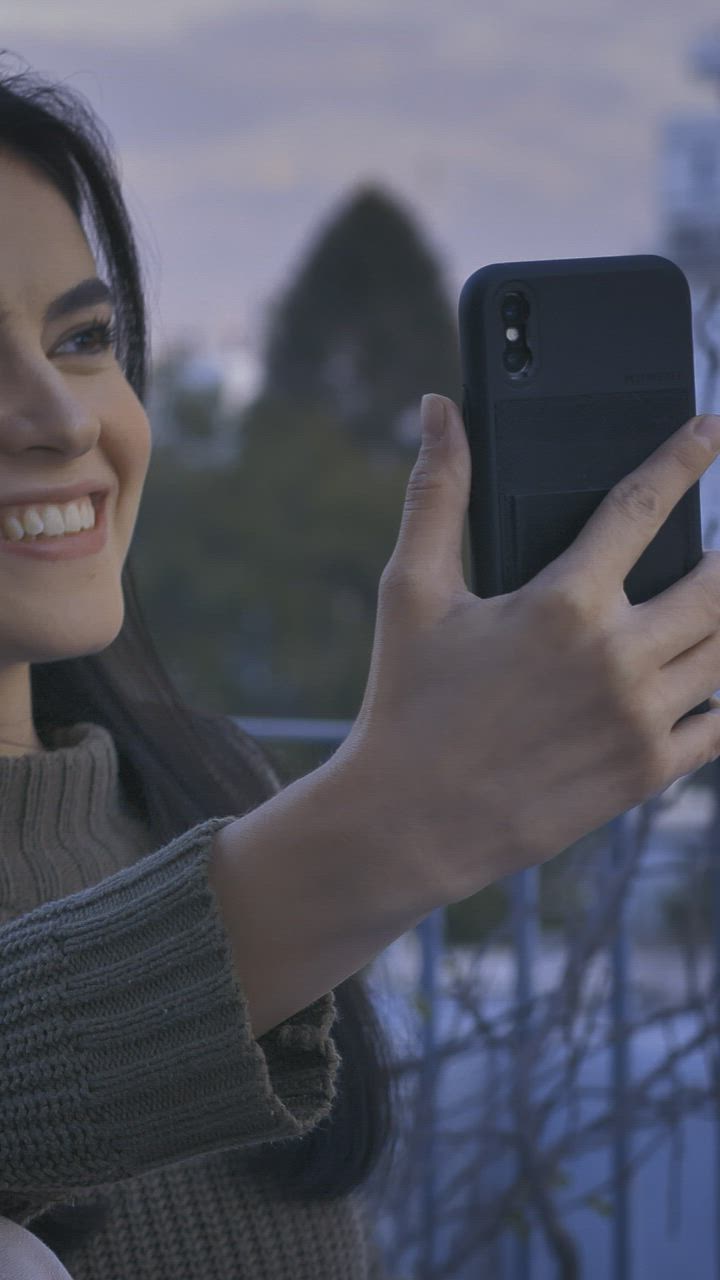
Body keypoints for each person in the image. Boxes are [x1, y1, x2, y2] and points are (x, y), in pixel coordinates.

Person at [3, 51, 720, 1280]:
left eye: (84, 338)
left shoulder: (191, 792)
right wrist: (393, 821)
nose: (66, 419)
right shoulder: (278, 856)